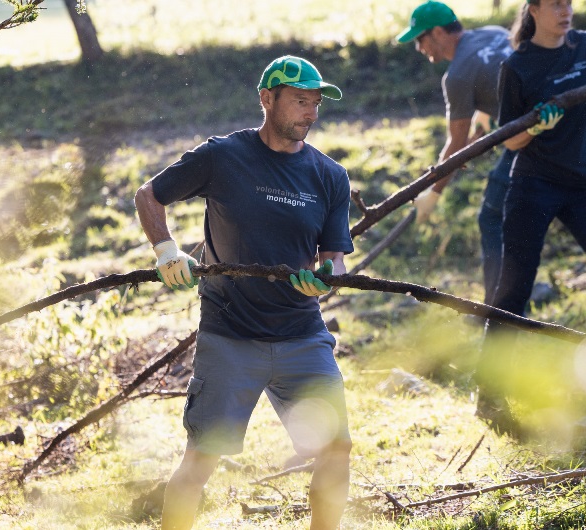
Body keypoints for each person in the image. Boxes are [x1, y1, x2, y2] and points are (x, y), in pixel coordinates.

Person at [134, 55, 354, 530]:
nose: (310, 113)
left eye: (315, 103)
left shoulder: (330, 176)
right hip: (230, 337)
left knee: (336, 450)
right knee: (200, 461)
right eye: (300, 101)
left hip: (302, 335)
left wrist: (325, 281)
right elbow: (148, 194)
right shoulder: (223, 156)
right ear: (267, 99)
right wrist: (168, 251)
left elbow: (335, 258)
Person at [476, 0, 586, 433]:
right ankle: (489, 393)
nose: (565, 10)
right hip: (533, 184)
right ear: (534, 9)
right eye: (555, 3)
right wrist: (536, 126)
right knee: (514, 289)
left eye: (569, 2)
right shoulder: (518, 66)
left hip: (584, 185)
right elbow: (510, 140)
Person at [396, 1, 515, 306]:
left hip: (531, 140)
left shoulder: (457, 75)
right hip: (556, 120)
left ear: (438, 32)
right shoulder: (494, 31)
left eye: (420, 40)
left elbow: (457, 143)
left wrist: (433, 192)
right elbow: (500, 74)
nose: (419, 48)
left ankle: (498, 311)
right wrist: (487, 112)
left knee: (492, 218)